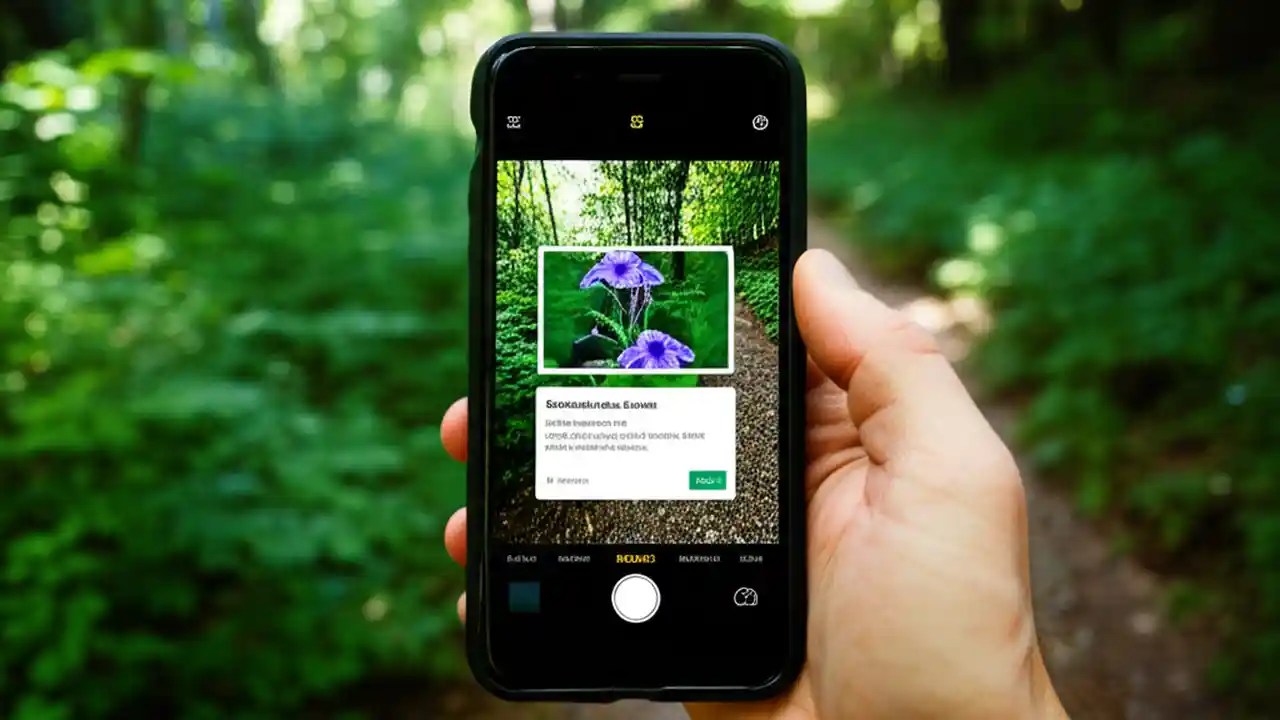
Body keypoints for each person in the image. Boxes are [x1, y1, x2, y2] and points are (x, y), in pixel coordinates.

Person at [439, 249, 1070, 720]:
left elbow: (660, 347)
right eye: (620, 277)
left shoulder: (648, 322)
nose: (625, 281)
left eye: (626, 279)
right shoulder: (621, 312)